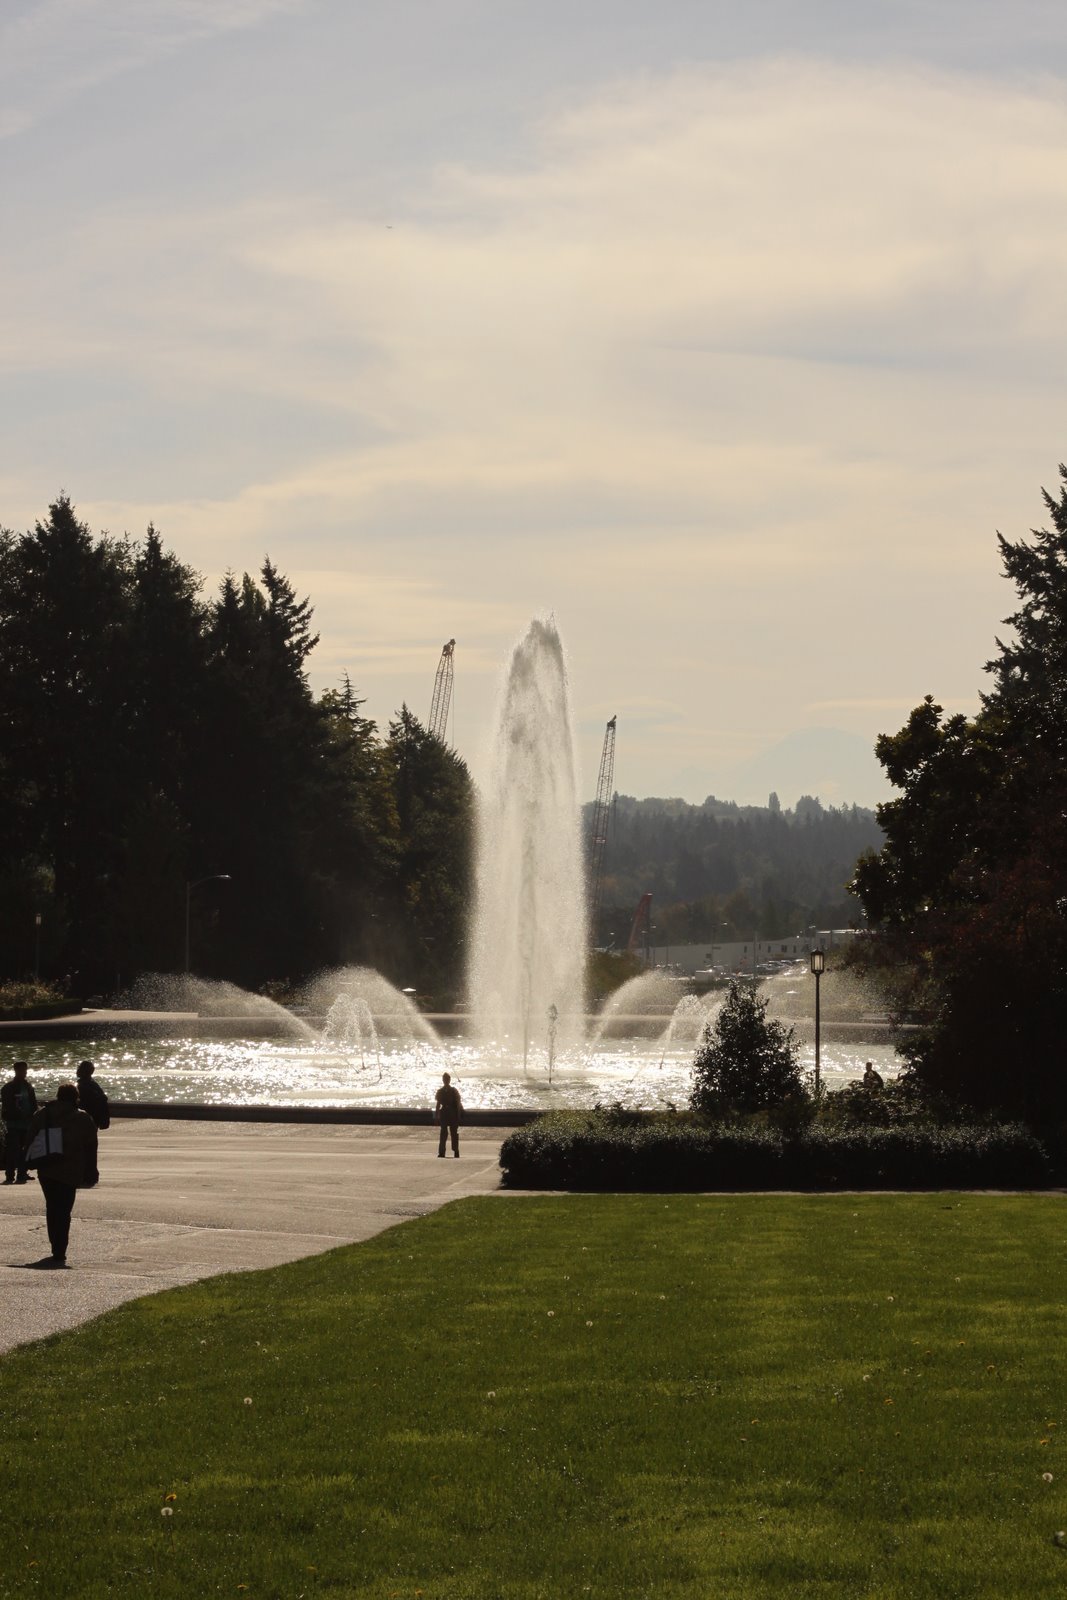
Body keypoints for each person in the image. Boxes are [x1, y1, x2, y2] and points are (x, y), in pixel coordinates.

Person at [25, 1083, 98, 1266]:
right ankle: (60, 1249)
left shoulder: (43, 1114)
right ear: (75, 1098)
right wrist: (92, 1169)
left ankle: (55, 1245)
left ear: (58, 1096)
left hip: (47, 1168)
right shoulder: (82, 1117)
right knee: (64, 1210)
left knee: (52, 1206)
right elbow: (91, 1145)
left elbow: (30, 1137)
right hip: (71, 1169)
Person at [2, 1061, 38, 1184]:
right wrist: (18, 1114)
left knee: (25, 1149)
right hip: (14, 1124)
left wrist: (33, 1115)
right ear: (16, 1071)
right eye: (22, 1070)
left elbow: (33, 1103)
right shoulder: (8, 1087)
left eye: (25, 1070)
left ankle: (22, 1173)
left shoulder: (28, 1086)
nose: (25, 1072)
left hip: (26, 1123)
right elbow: (8, 1105)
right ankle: (10, 1175)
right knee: (12, 1149)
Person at [434, 1072, 463, 1158]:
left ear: (449, 1080)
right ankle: (442, 1152)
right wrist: (437, 1116)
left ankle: (456, 1151)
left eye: (447, 1079)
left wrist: (458, 1115)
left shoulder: (454, 1091)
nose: (446, 1081)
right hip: (444, 1113)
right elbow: (438, 1104)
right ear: (443, 1080)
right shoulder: (440, 1091)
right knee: (443, 1133)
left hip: (452, 1113)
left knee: (454, 1133)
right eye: (444, 1079)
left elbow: (458, 1104)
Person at [75, 1060, 110, 1129]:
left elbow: (86, 1103)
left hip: (88, 1117)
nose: (77, 1070)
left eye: (79, 1068)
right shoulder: (92, 1084)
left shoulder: (84, 1086)